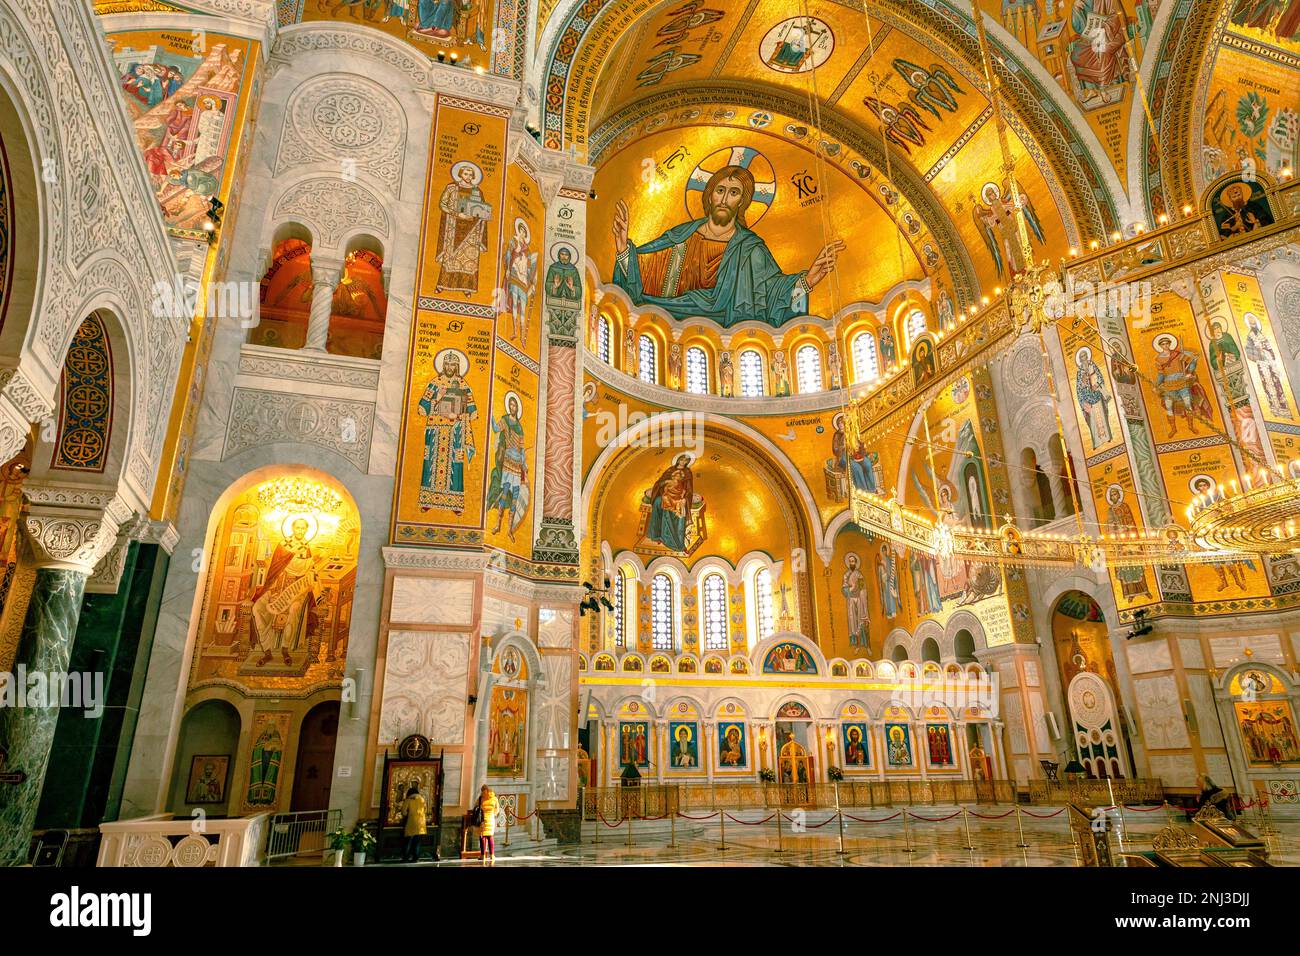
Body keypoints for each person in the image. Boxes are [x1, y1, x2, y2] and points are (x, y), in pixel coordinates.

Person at [401, 783, 426, 863]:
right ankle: (416, 858)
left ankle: (405, 857)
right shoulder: (422, 799)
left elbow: (403, 812)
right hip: (421, 824)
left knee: (408, 841)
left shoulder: (408, 800)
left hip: (411, 823)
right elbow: (425, 810)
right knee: (417, 842)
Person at [475, 784, 499, 863]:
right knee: (490, 837)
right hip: (491, 819)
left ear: (482, 790)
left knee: (483, 837)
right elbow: (497, 809)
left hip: (482, 819)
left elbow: (475, 807)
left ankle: (483, 855)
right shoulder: (494, 798)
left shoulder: (481, 798)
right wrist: (493, 814)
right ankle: (492, 855)